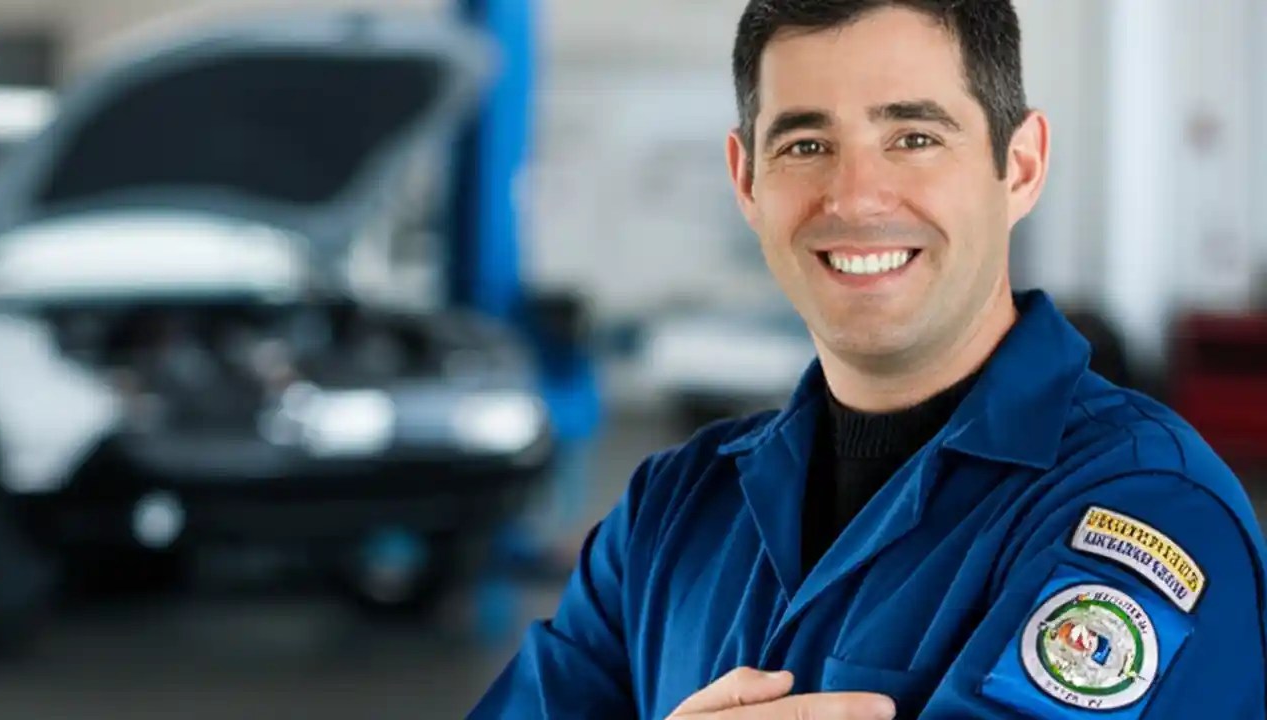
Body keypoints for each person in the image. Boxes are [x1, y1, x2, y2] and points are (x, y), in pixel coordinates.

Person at [471, 1, 1267, 717]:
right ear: (747, 180)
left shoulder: (1147, 513)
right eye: (807, 143)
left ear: (1018, 165)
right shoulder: (669, 513)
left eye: (914, 138)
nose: (854, 197)